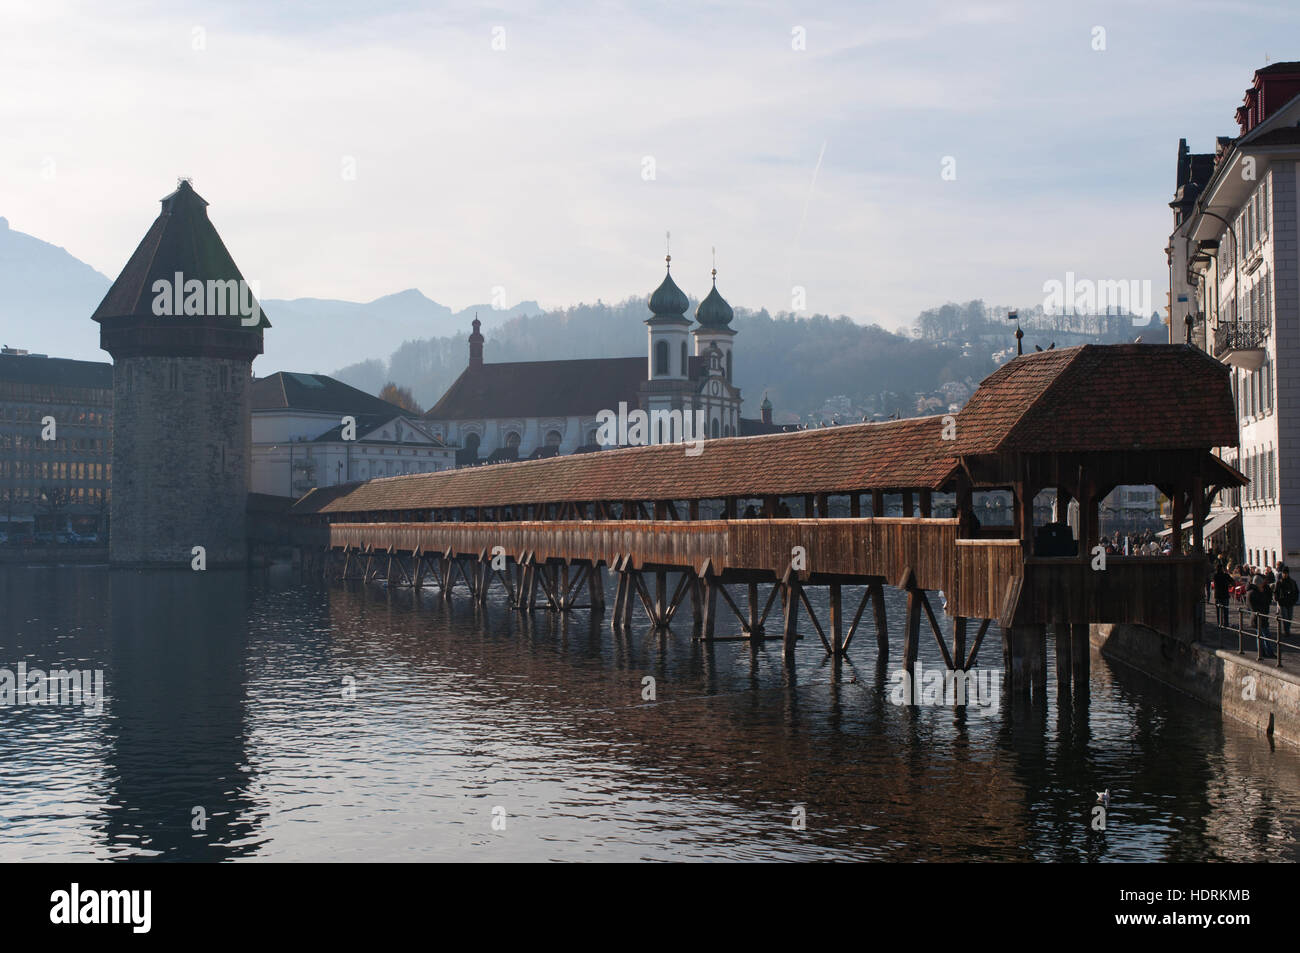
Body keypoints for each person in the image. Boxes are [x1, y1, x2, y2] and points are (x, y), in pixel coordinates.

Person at [1248, 575, 1276, 659]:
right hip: (1258, 618)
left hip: (1261, 617)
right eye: (1261, 584)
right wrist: (1262, 594)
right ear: (1257, 584)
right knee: (1264, 636)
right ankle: (1266, 652)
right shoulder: (1253, 593)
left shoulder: (1256, 591)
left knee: (1263, 635)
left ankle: (1264, 652)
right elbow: (1255, 606)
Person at [1276, 564, 1298, 643]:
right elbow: (1276, 592)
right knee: (1285, 617)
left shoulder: (1292, 582)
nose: (1284, 574)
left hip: (1290, 602)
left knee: (1290, 618)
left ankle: (1287, 630)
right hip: (1283, 603)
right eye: (1284, 573)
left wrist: (1294, 600)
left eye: (1286, 573)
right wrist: (1278, 600)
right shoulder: (1280, 582)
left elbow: (1296, 592)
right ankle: (1287, 631)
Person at [1213, 561, 1234, 628]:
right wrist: (1228, 584)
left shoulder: (1215, 576)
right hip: (1225, 595)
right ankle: (1226, 623)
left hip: (1217, 595)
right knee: (1225, 611)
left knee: (1218, 611)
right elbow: (1233, 582)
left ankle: (1219, 623)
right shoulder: (1225, 575)